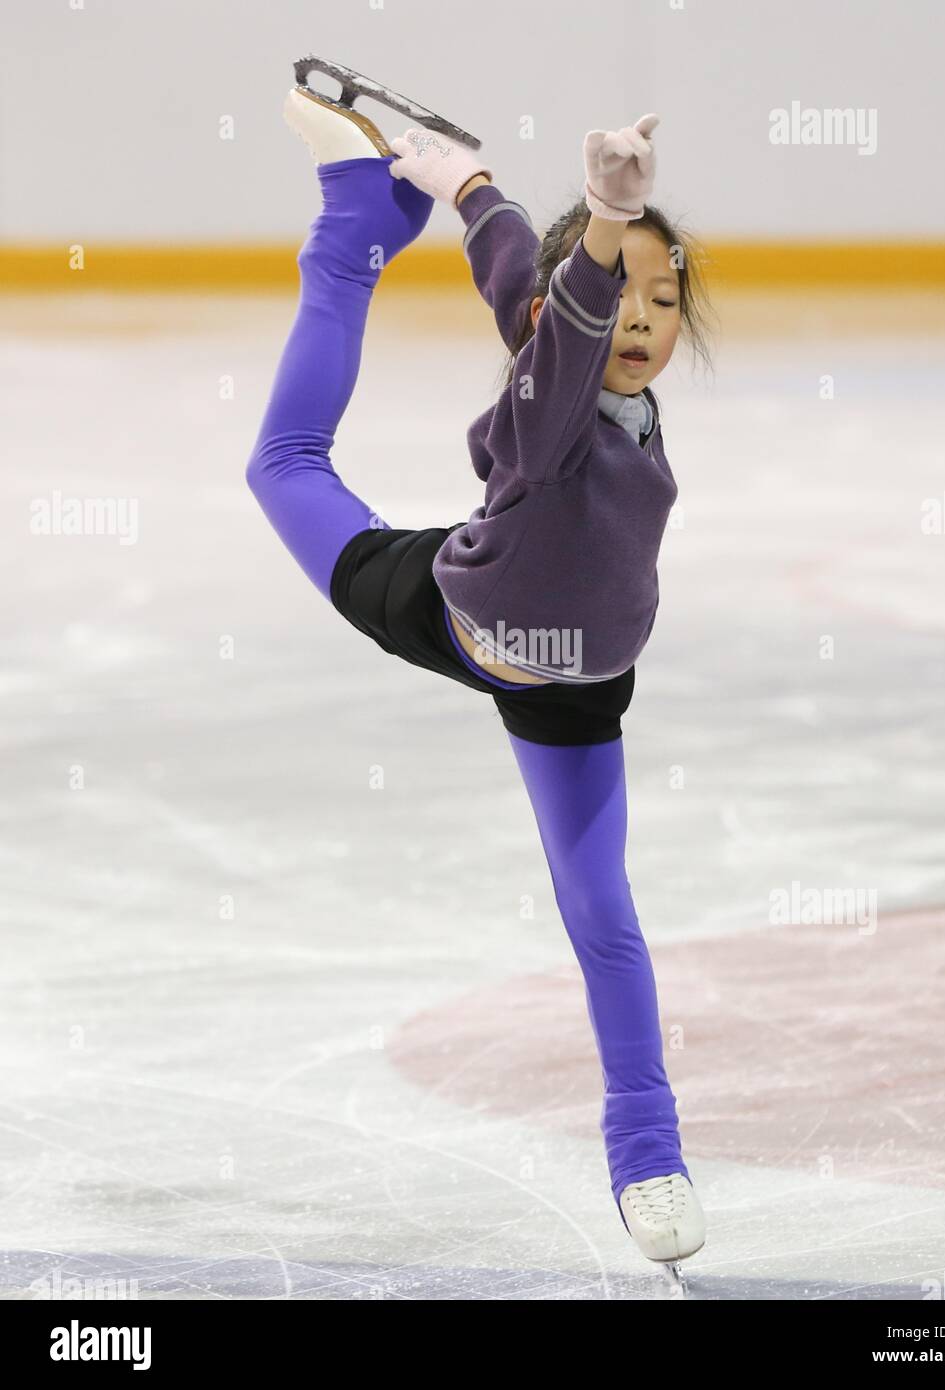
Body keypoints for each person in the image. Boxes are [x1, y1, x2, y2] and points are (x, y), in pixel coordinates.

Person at [245, 80, 711, 1282]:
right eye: (622, 296)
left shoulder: (596, 371)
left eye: (668, 298)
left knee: (601, 911)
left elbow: (521, 281)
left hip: (576, 684)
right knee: (286, 462)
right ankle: (349, 234)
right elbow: (556, 317)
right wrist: (606, 217)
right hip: (461, 616)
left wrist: (467, 185)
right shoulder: (555, 389)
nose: (646, 318)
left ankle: (647, 1155)